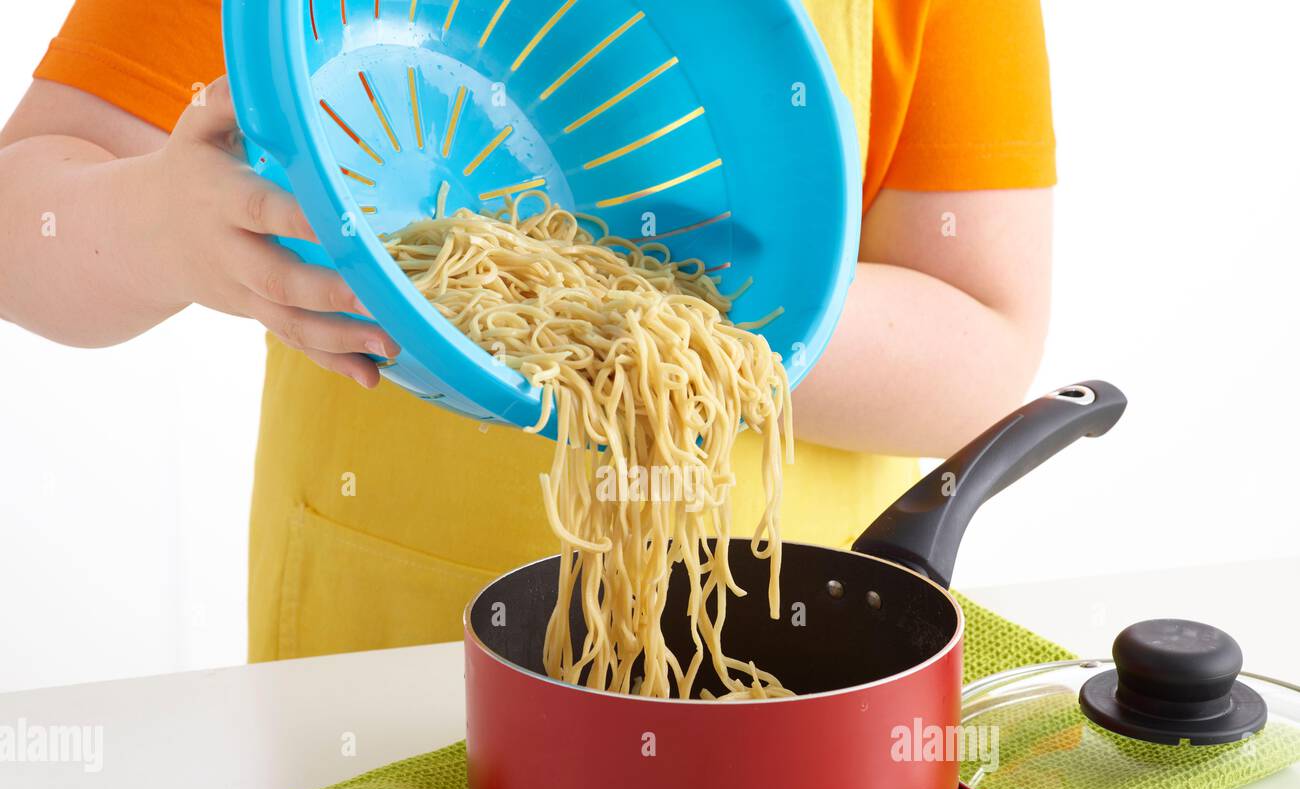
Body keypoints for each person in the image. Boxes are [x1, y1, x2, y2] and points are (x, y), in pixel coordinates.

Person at [0, 1, 1056, 662]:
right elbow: (23, 215)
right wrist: (165, 227)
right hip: (380, 662)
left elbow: (984, 337)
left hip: (785, 651)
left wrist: (662, 326)